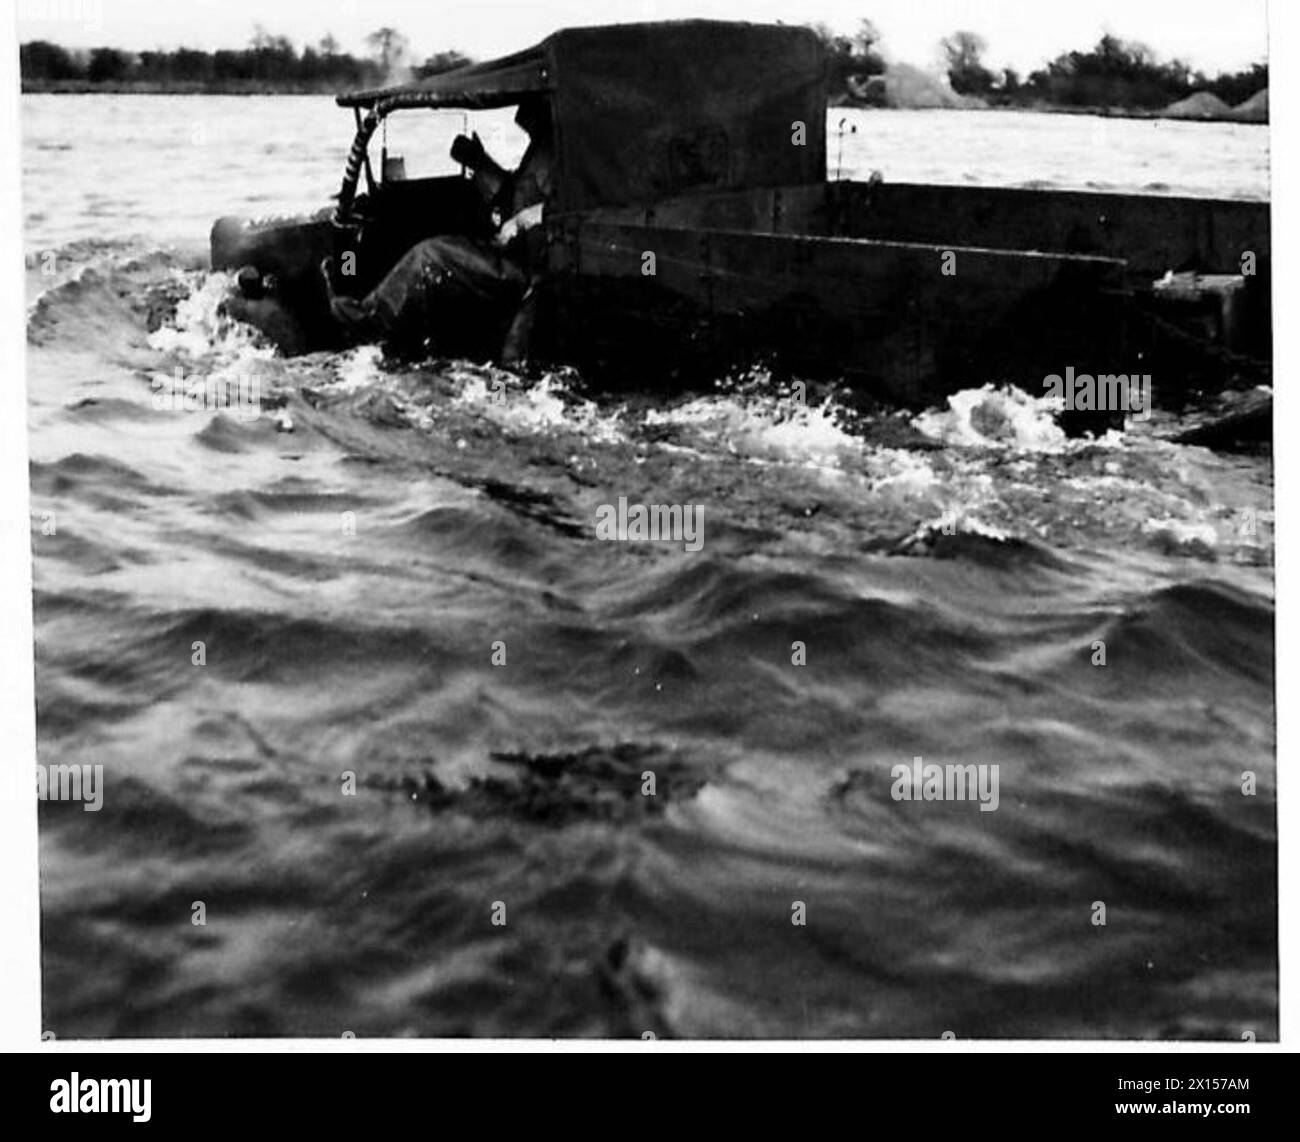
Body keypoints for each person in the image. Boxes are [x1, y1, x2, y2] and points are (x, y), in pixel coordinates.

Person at [323, 98, 554, 359]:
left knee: (429, 257)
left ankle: (367, 322)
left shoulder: (557, 153)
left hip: (526, 268)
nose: (522, 115)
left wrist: (523, 219)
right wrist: (479, 162)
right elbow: (515, 193)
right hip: (514, 253)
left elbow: (563, 210)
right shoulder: (544, 148)